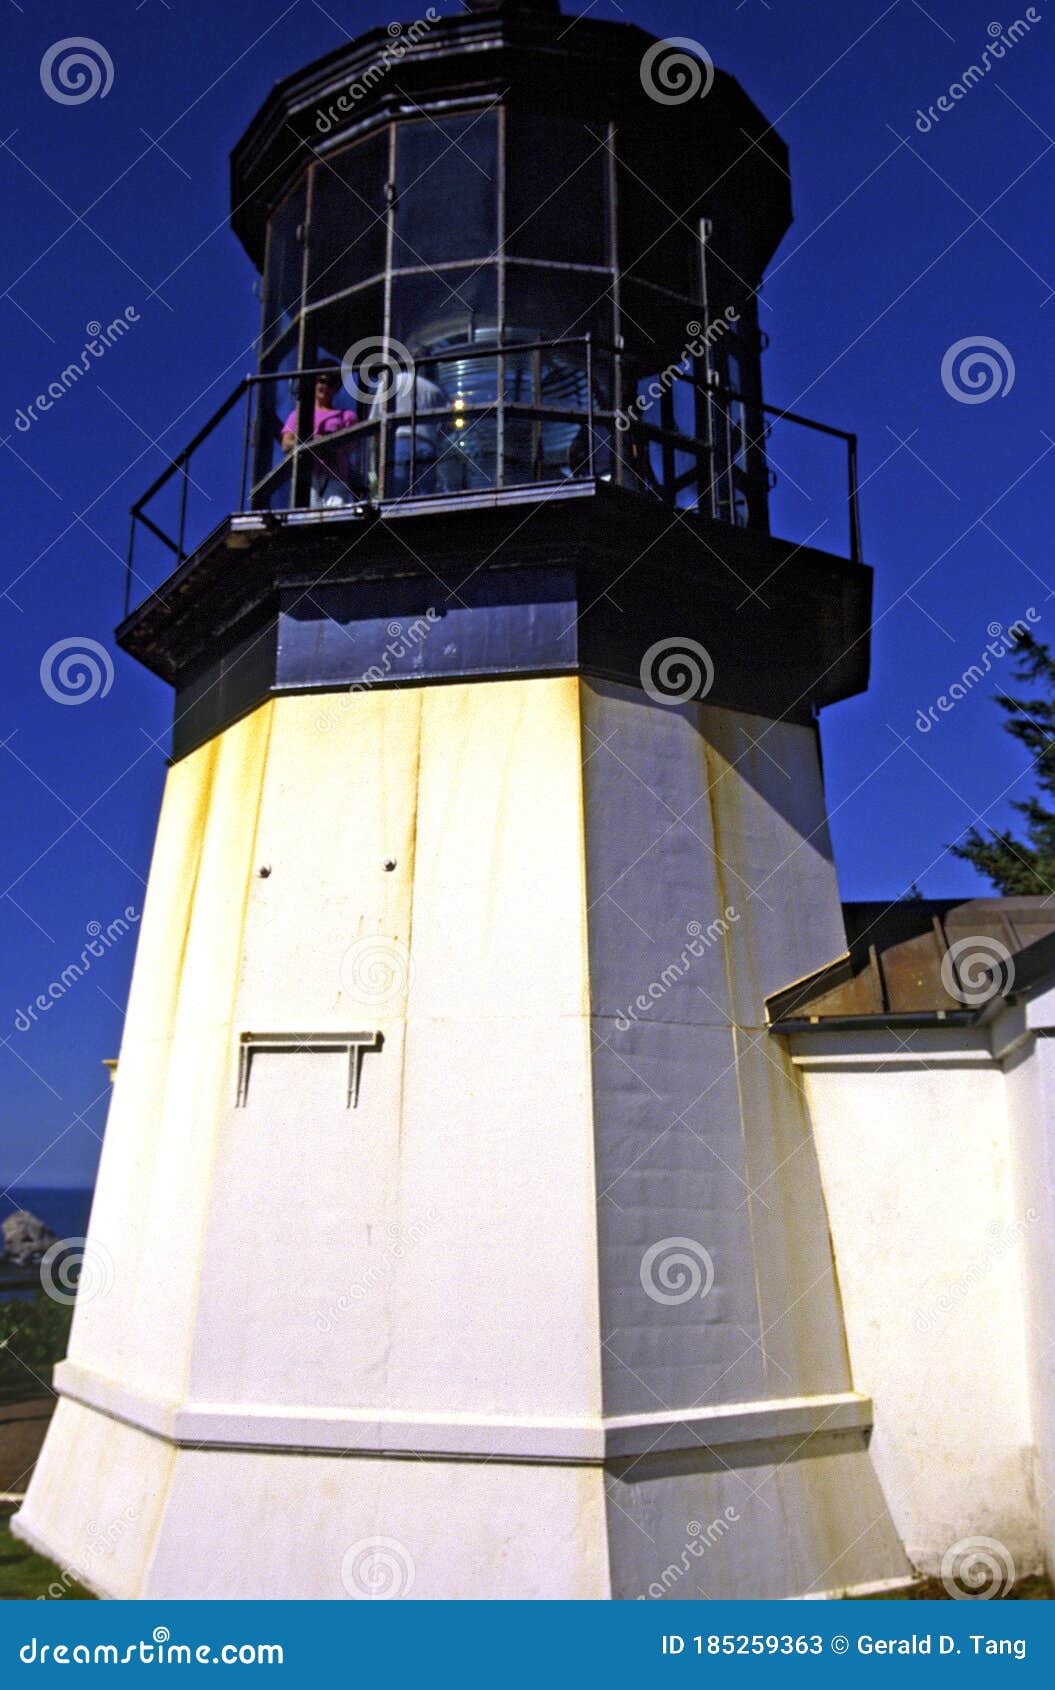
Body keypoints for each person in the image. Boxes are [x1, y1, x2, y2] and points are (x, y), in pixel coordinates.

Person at [281, 372, 358, 508]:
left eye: (331, 384)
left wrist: (328, 443)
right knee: (307, 519)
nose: (325, 386)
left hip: (336, 477)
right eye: (321, 381)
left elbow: (352, 444)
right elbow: (286, 444)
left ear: (336, 389)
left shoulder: (346, 416)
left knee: (335, 519)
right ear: (314, 384)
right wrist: (311, 443)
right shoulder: (298, 414)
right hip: (308, 478)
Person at [369, 365, 448, 497]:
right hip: (427, 445)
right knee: (424, 495)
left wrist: (377, 455)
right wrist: (435, 437)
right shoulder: (434, 390)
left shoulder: (390, 384)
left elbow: (375, 423)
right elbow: (449, 423)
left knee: (397, 494)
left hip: (398, 444)